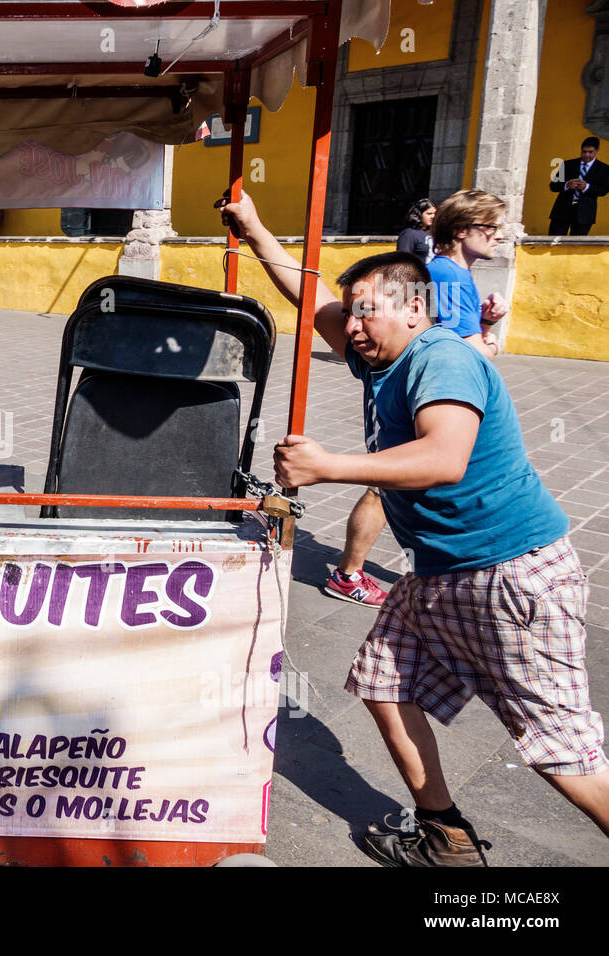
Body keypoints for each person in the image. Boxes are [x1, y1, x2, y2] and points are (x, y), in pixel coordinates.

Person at [220, 191, 608, 866]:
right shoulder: (379, 353)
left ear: (414, 308)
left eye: (367, 311)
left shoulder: (442, 360)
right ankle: (446, 836)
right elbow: (311, 300)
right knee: (382, 683)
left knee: (561, 751)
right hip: (442, 574)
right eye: (354, 313)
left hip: (510, 575)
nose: (354, 327)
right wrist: (255, 230)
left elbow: (444, 457)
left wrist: (326, 466)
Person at [427, 189, 508, 359]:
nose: (499, 236)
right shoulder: (450, 276)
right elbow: (471, 354)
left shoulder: (453, 271)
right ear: (460, 230)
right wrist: (493, 347)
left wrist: (487, 321)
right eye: (491, 227)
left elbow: (462, 338)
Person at [549, 136, 609, 236]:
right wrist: (567, 185)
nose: (586, 155)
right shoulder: (567, 164)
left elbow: (603, 190)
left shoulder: (604, 169)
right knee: (553, 241)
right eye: (584, 151)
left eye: (590, 152)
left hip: (585, 213)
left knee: (576, 246)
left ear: (597, 151)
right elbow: (553, 186)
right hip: (562, 211)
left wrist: (587, 187)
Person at [395, 199, 435, 264]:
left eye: (434, 214)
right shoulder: (409, 234)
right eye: (429, 213)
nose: (433, 216)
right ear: (419, 214)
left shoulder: (433, 232)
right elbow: (402, 260)